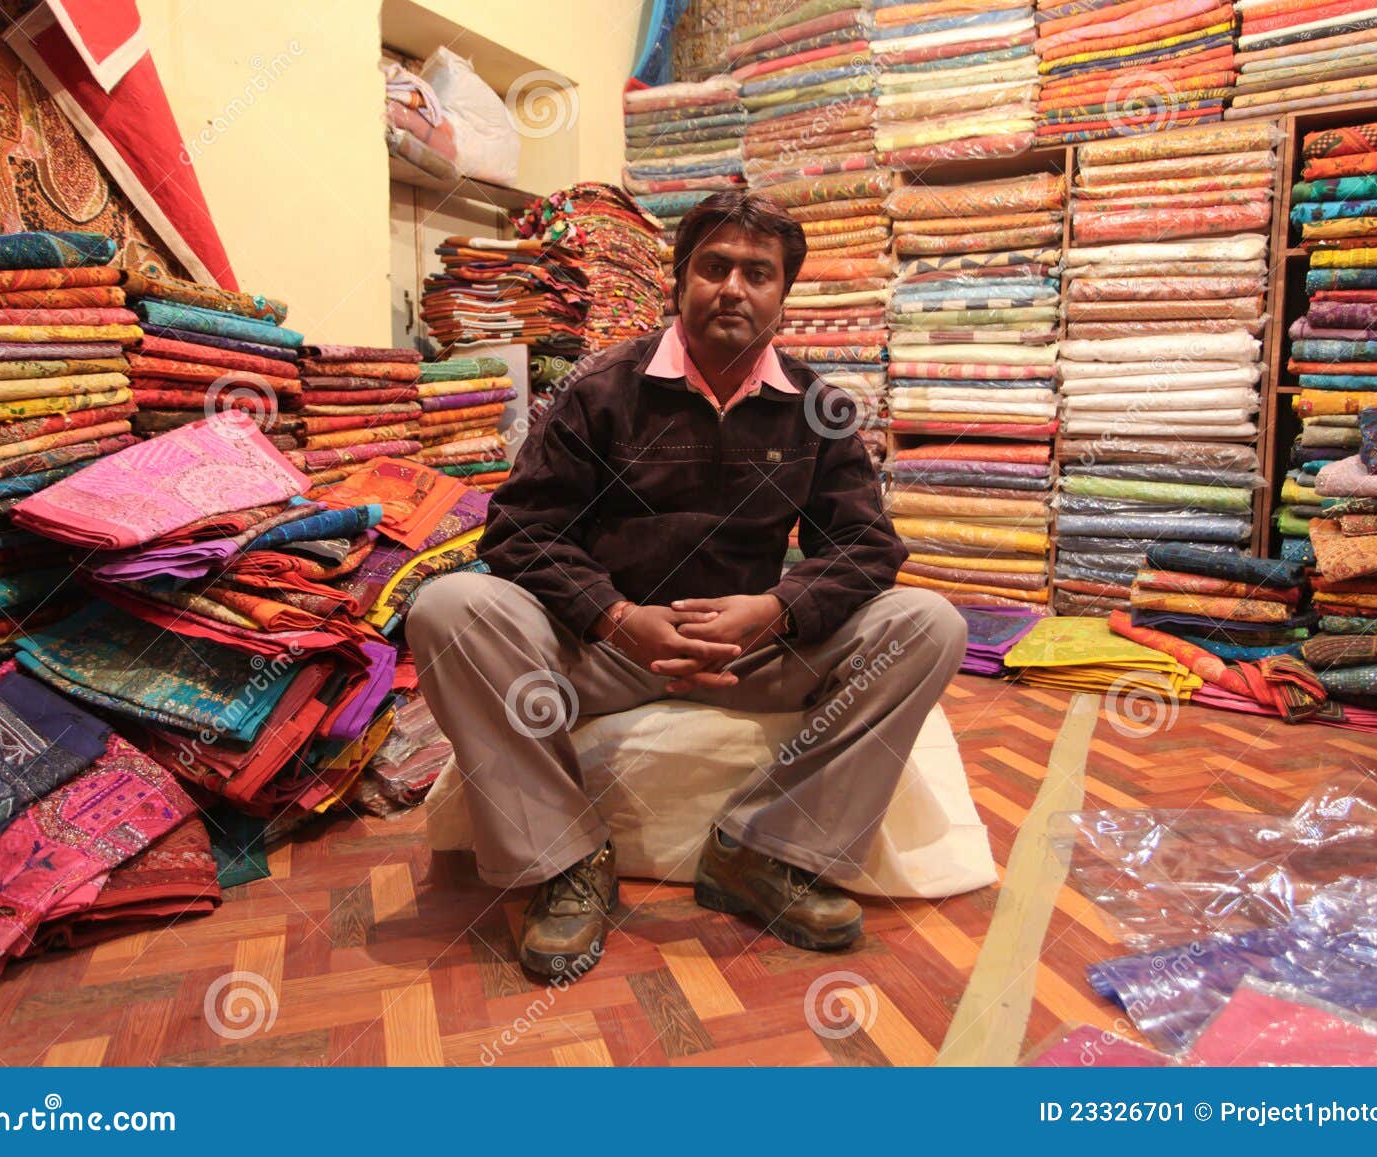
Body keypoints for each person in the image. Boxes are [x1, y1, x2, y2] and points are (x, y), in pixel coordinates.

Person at [406, 191, 968, 979]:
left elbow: (866, 547)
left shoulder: (819, 408)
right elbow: (522, 528)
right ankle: (565, 861)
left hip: (751, 653)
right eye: (714, 267)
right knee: (449, 607)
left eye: (757, 273)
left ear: (782, 296)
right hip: (606, 651)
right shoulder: (599, 390)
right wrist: (615, 616)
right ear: (680, 282)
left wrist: (777, 610)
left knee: (930, 624)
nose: (733, 287)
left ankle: (762, 851)